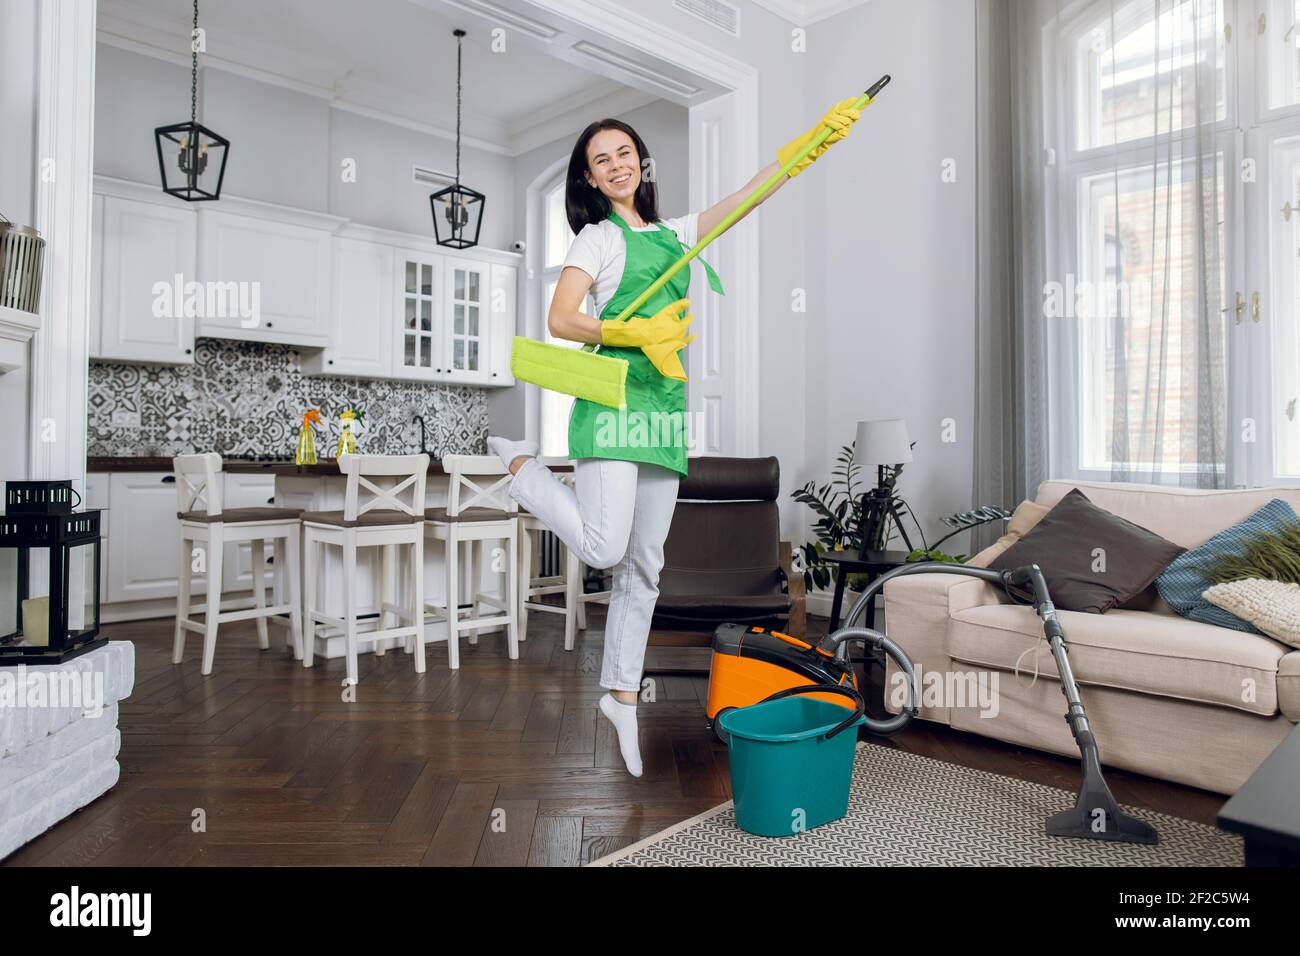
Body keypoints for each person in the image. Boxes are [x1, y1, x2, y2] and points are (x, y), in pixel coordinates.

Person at [488, 100, 861, 777]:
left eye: (623, 152)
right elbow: (562, 319)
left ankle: (621, 696)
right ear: (592, 180)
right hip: (611, 405)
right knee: (604, 545)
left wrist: (807, 146)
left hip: (662, 411)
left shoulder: (673, 233)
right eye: (601, 160)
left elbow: (745, 198)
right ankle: (524, 469)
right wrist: (632, 332)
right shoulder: (596, 239)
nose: (616, 164)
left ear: (640, 162)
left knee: (644, 567)